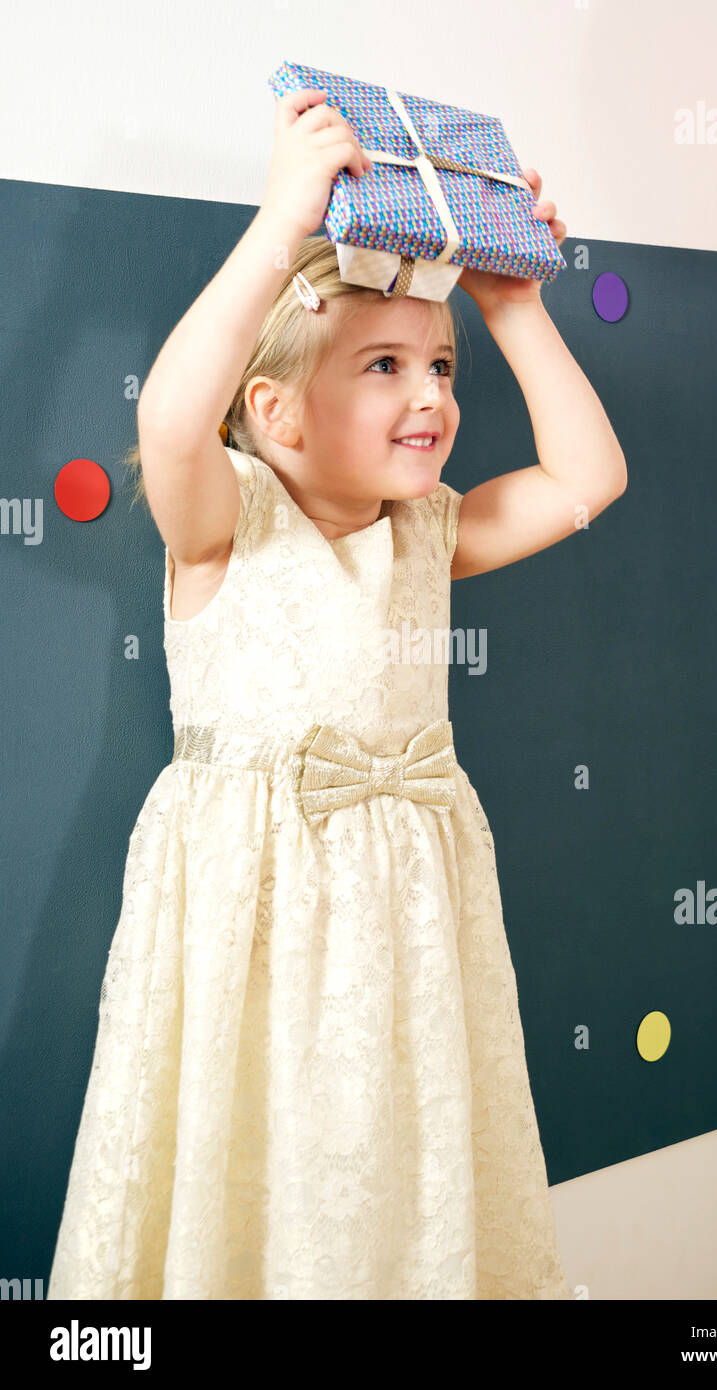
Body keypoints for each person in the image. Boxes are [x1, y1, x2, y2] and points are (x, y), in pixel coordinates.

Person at [47, 85, 627, 1300]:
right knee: (251, 1172)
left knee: (393, 1182)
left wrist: (512, 309)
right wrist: (279, 226)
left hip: (405, 927)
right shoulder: (223, 522)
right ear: (275, 414)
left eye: (439, 366)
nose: (430, 395)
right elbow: (168, 417)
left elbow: (589, 475)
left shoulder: (429, 530)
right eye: (383, 366)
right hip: (250, 922)